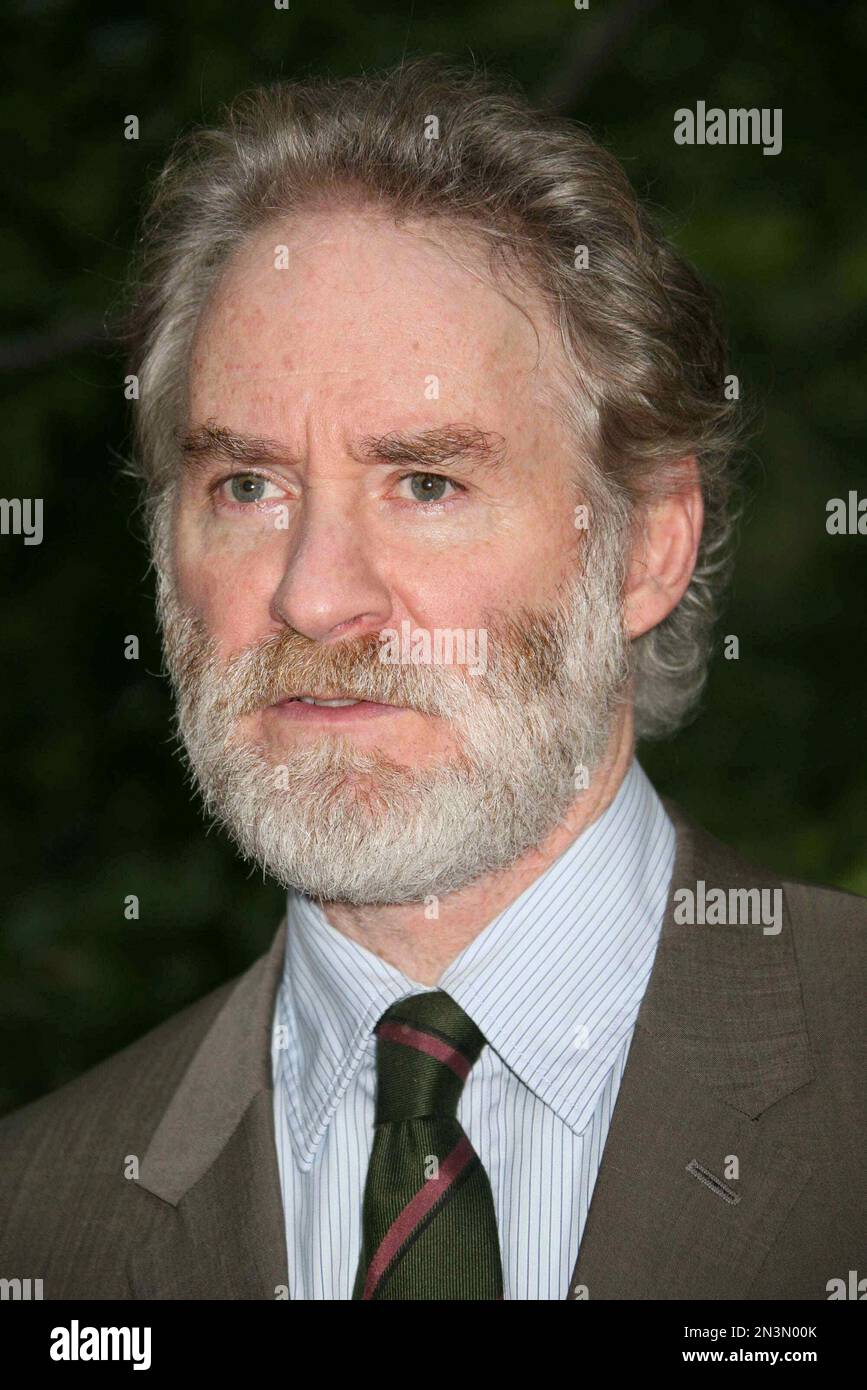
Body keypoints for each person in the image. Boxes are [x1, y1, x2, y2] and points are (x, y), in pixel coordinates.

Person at [1, 56, 864, 1301]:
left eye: (425, 483)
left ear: (644, 547)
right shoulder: (39, 1224)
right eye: (247, 486)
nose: (312, 593)